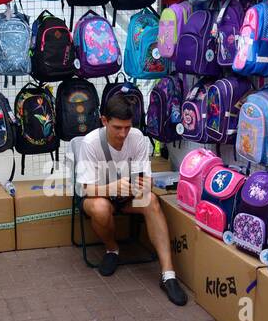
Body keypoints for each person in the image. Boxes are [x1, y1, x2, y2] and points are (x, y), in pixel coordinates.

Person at [76, 94, 187, 306]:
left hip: (128, 197)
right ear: (104, 121)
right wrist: (112, 187)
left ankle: (168, 274)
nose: (123, 133)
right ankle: (112, 249)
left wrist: (141, 185)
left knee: (152, 201)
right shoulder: (90, 143)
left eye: (127, 127)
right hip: (98, 195)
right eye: (117, 127)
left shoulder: (137, 138)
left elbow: (145, 180)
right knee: (100, 207)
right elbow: (84, 189)